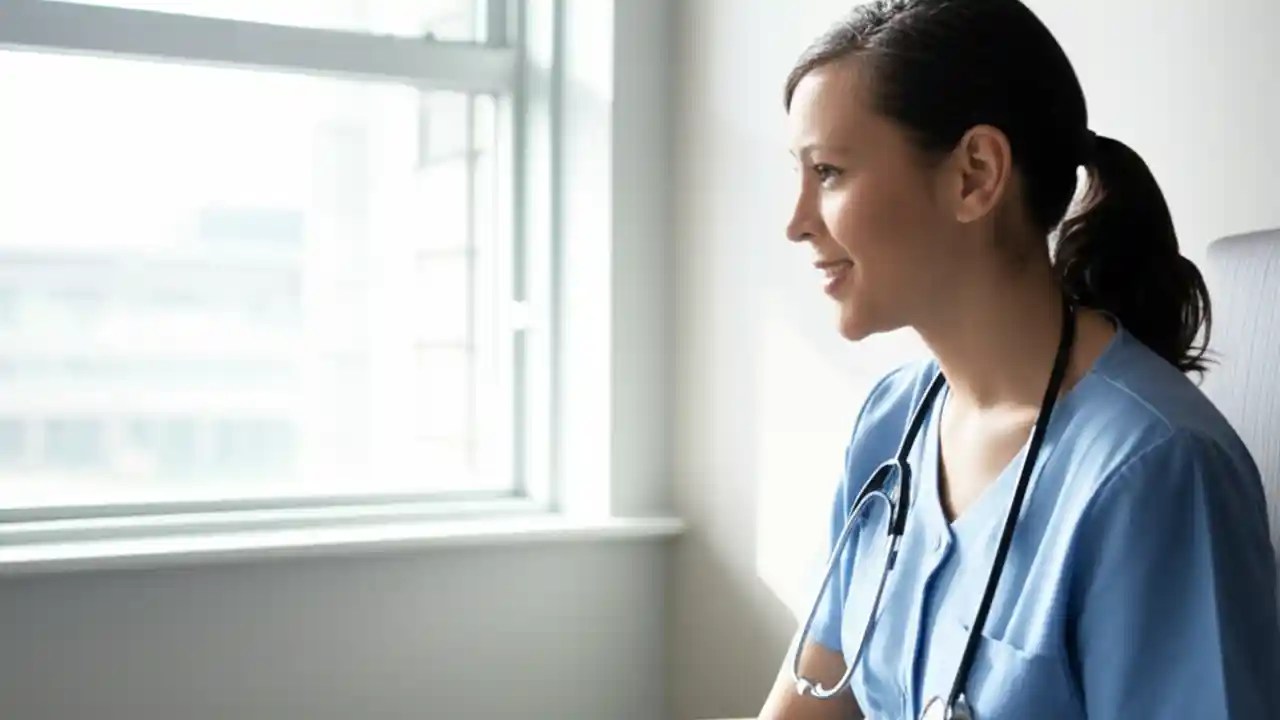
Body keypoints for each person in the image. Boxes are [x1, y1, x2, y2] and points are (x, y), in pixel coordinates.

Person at [759, 1, 1280, 718]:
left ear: (975, 174)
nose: (796, 221)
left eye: (829, 172)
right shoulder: (892, 423)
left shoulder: (1155, 469)